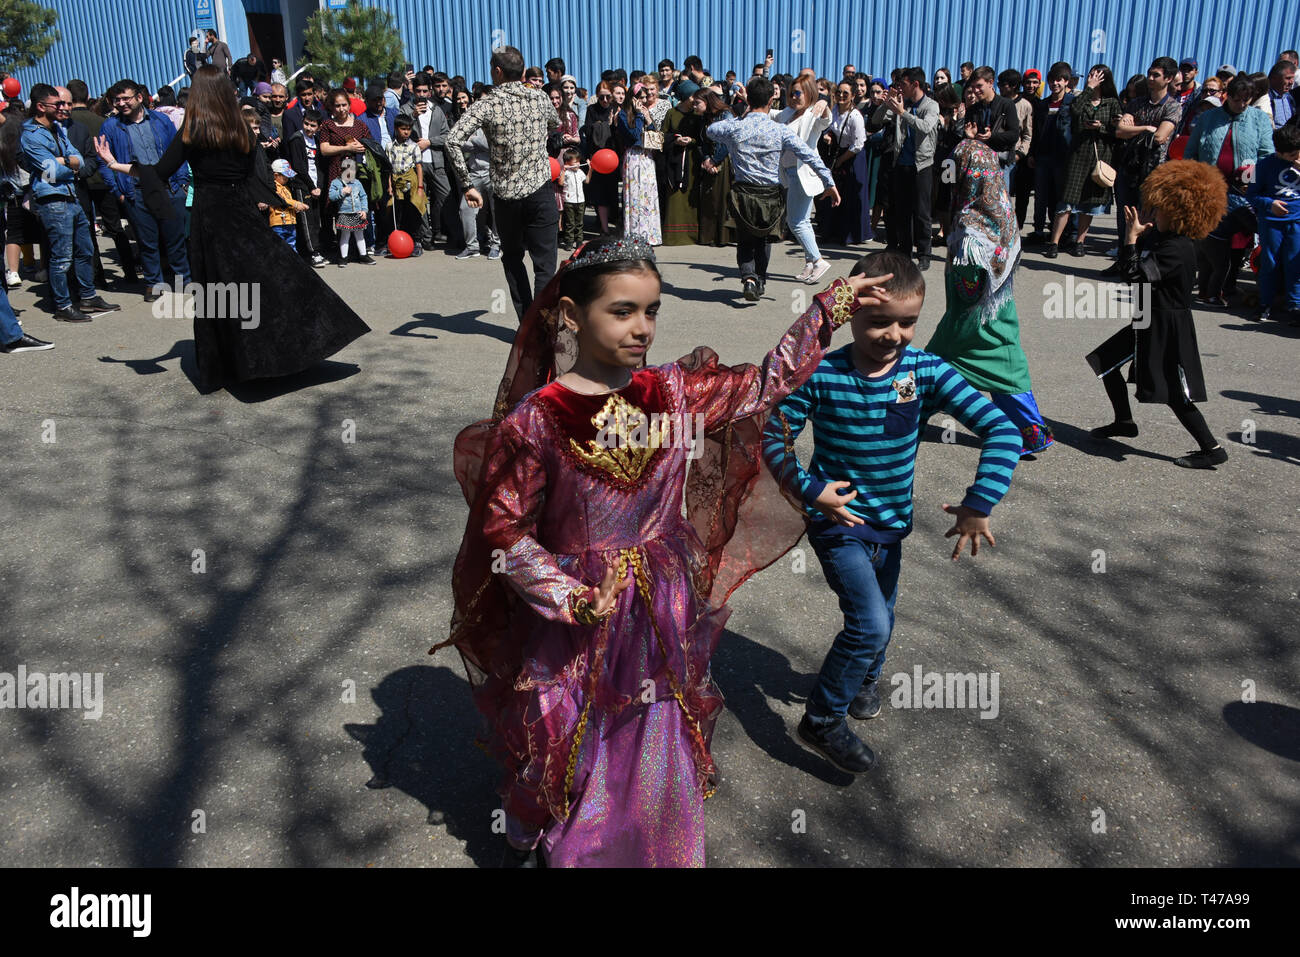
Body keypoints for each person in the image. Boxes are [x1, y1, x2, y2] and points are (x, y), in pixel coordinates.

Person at [431, 235, 886, 866]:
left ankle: (657, 841)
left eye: (652, 311)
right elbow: (505, 530)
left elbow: (764, 383)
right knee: (576, 724)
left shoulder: (674, 393)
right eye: (622, 311)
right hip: (578, 610)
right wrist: (568, 595)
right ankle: (574, 837)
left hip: (660, 601)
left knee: (654, 721)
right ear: (570, 316)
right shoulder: (537, 419)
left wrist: (826, 311)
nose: (642, 327)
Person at [761, 249, 1021, 773]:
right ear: (850, 313)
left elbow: (1003, 428)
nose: (894, 334)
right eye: (879, 321)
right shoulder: (822, 372)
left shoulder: (926, 371)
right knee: (871, 625)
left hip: (893, 526)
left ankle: (864, 681)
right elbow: (772, 434)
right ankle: (823, 719)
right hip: (839, 524)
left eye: (908, 322)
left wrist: (979, 501)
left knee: (882, 614)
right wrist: (812, 490)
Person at [94, 65, 370, 393]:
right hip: (243, 215)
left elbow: (158, 172)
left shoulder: (193, 132)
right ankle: (277, 355)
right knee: (269, 282)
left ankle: (234, 365)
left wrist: (114, 164)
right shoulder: (242, 129)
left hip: (210, 220)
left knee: (221, 295)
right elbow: (258, 175)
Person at [1085, 160, 1229, 468]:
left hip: (1165, 325)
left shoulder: (1175, 249)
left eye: (1158, 209)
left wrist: (1130, 239)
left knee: (1174, 392)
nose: (1153, 213)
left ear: (1177, 212)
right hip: (1148, 318)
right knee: (1105, 363)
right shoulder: (1168, 240)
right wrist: (1139, 233)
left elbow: (1133, 277)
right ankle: (1124, 421)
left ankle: (1212, 448)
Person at [924, 141, 1054, 456]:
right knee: (1006, 374)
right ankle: (1031, 433)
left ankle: (897, 418)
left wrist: (959, 317)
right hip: (998, 317)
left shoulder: (972, 227)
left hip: (971, 324)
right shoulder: (999, 211)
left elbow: (969, 287)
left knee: (930, 370)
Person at [447, 46, 560, 322]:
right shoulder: (539, 97)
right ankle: (543, 326)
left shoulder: (485, 104)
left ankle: (526, 322)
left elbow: (452, 140)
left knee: (513, 258)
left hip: (507, 197)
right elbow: (554, 123)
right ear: (522, 72)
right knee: (545, 265)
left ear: (497, 72)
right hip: (540, 190)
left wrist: (467, 185)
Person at [705, 75, 839, 301]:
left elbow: (711, 130)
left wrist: (738, 123)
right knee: (763, 240)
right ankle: (760, 279)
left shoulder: (735, 127)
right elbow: (810, 156)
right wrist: (829, 182)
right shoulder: (780, 130)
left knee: (746, 239)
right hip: (769, 194)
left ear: (750, 100)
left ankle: (749, 278)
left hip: (742, 193)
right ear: (770, 101)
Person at [20, 83, 118, 322]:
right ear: (41, 106)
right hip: (52, 200)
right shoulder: (31, 136)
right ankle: (63, 306)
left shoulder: (60, 130)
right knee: (61, 257)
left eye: (66, 103)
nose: (65, 107)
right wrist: (68, 164)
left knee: (84, 250)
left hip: (71, 197)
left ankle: (88, 296)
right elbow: (49, 170)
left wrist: (65, 162)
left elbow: (81, 162)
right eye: (59, 104)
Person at [1184, 76, 1274, 305]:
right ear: (1227, 95)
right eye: (1237, 99)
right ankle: (1207, 291)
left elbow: (1266, 153)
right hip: (1210, 189)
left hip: (1243, 190)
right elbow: (1191, 152)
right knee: (1210, 242)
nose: (1242, 104)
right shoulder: (1208, 118)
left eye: (1247, 100)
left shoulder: (1258, 119)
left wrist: (1255, 176)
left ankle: (1231, 287)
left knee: (1241, 241)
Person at [100, 78, 192, 299]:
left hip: (169, 188)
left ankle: (183, 279)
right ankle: (153, 283)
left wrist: (181, 184)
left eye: (126, 98)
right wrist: (118, 191)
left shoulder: (161, 120)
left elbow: (178, 152)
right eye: (117, 100)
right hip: (136, 190)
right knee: (146, 241)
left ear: (139, 98)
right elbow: (104, 162)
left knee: (175, 238)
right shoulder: (111, 126)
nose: (121, 103)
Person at [1110, 58, 1182, 271]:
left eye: (1156, 75)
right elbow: (1120, 131)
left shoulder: (1172, 107)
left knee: (1147, 217)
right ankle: (1123, 260)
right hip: (1129, 167)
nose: (1150, 78)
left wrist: (1144, 129)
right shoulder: (1136, 103)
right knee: (1125, 216)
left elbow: (1161, 136)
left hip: (1153, 171)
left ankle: (1140, 262)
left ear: (1168, 79)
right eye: (1150, 74)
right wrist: (1145, 129)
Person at [1047, 65, 1119, 258]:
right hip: (1078, 155)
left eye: (1096, 76)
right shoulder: (1081, 98)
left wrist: (1101, 127)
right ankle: (1054, 243)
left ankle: (1080, 241)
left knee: (1089, 202)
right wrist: (1088, 89)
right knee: (1066, 202)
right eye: (1090, 75)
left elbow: (1117, 130)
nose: (1092, 78)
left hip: (1100, 157)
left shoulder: (1112, 102)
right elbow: (1076, 111)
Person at [873, 67, 940, 268]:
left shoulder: (931, 105)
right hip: (900, 164)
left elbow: (925, 127)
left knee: (921, 212)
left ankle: (924, 253)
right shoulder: (904, 104)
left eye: (903, 84)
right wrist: (887, 104)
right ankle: (904, 250)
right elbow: (876, 122)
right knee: (901, 211)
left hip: (922, 165)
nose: (900, 88)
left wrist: (902, 113)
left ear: (915, 84)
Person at [777, 74, 833, 282]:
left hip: (803, 174)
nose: (793, 97)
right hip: (790, 174)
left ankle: (818, 260)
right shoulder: (788, 113)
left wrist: (823, 102)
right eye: (790, 93)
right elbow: (772, 114)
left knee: (796, 222)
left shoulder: (812, 114)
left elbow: (826, 119)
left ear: (809, 93)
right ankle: (810, 263)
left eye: (797, 93)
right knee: (803, 221)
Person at [1246, 124, 1300, 324]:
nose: (1295, 158)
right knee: (1270, 263)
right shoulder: (1264, 165)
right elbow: (1251, 195)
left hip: (1297, 220)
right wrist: (1270, 204)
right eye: (1291, 155)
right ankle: (1265, 303)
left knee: (1295, 263)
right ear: (1278, 152)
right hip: (1272, 222)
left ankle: (1294, 304)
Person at [1027, 63, 1075, 244]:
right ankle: (1038, 231)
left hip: (1062, 158)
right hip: (1042, 157)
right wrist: (1032, 153)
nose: (1055, 83)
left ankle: (1059, 233)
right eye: (1052, 80)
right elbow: (1035, 133)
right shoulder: (1042, 105)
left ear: (1066, 82)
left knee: (1059, 197)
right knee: (1041, 196)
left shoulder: (1071, 104)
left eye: (1059, 80)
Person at [616, 82, 663, 245]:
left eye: (645, 97)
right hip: (634, 156)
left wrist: (648, 119)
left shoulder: (644, 113)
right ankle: (636, 235)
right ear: (633, 98)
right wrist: (638, 115)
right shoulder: (623, 115)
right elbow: (634, 135)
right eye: (640, 97)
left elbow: (654, 137)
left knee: (648, 195)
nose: (644, 100)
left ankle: (650, 234)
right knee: (635, 196)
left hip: (647, 157)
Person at [283, 107, 327, 267]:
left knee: (316, 220)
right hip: (303, 185)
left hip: (316, 186)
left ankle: (316, 250)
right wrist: (310, 186)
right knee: (307, 221)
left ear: (319, 127)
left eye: (313, 125)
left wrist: (319, 186)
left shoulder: (316, 140)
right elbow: (299, 166)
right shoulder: (297, 139)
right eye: (306, 124)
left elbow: (320, 166)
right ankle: (312, 252)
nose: (309, 128)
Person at [660, 84, 703, 246]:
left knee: (691, 196)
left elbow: (703, 137)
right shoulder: (671, 113)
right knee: (675, 196)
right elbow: (663, 136)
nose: (695, 100)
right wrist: (675, 139)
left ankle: (692, 235)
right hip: (674, 161)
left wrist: (691, 140)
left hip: (692, 161)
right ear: (685, 97)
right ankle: (674, 237)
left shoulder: (698, 114)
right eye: (693, 96)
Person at [581, 83, 621, 236]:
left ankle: (612, 224)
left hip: (613, 156)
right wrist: (607, 125)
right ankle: (604, 228)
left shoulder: (615, 108)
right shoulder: (592, 110)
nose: (604, 99)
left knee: (612, 194)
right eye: (601, 96)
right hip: (598, 158)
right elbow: (590, 132)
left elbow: (618, 132)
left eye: (607, 96)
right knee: (600, 195)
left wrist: (603, 125)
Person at [386, 114, 425, 257]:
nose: (406, 132)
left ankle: (416, 241)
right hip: (396, 184)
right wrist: (389, 186)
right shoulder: (390, 146)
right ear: (396, 129)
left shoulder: (414, 146)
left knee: (414, 212)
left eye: (408, 129)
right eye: (403, 129)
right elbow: (389, 168)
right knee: (397, 213)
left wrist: (420, 187)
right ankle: (397, 242)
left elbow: (419, 167)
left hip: (411, 183)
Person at [268, 158, 308, 250]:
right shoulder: (273, 187)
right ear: (275, 175)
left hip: (290, 222)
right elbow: (282, 200)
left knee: (292, 244)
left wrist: (296, 208)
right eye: (285, 177)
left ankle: (293, 263)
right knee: (279, 247)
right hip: (278, 223)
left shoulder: (286, 188)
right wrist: (296, 204)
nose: (287, 179)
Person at [559, 148, 588, 249]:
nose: (578, 164)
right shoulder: (566, 173)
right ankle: (569, 242)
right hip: (569, 201)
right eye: (575, 162)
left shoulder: (580, 172)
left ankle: (579, 241)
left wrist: (591, 168)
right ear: (568, 163)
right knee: (570, 223)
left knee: (579, 222)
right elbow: (561, 183)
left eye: (579, 161)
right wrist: (563, 170)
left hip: (580, 200)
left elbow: (587, 181)